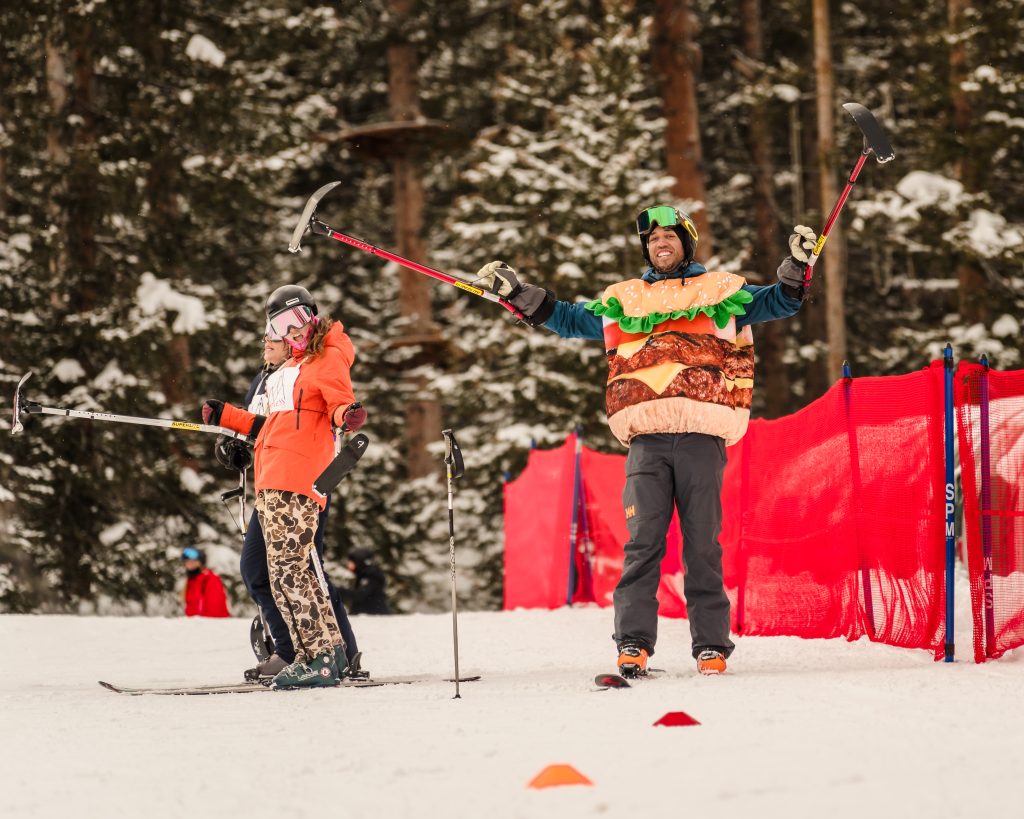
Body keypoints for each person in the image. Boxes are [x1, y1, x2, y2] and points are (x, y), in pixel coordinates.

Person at [474, 205, 817, 677]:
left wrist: (798, 269)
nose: (660, 243)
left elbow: (780, 300)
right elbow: (571, 319)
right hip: (646, 441)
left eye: (669, 236)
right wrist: (520, 295)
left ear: (686, 243)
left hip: (701, 437)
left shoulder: (720, 290)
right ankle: (633, 644)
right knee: (642, 546)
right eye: (653, 238)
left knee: (702, 547)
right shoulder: (624, 299)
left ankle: (711, 647)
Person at [202, 284, 367, 689]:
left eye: (296, 323)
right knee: (284, 571)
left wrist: (348, 416)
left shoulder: (325, 358)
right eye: (279, 327)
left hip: (296, 477)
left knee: (291, 571)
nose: (290, 333)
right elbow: (272, 425)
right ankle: (329, 652)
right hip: (274, 473)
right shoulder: (294, 368)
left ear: (312, 316)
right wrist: (228, 417)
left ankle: (321, 657)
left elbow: (338, 402)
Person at [181, 547, 230, 618]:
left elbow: (215, 608)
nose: (190, 564)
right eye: (187, 561)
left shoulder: (210, 579)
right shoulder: (191, 581)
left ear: (201, 563)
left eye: (194, 561)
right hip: (193, 624)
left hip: (210, 624)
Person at [342, 547, 391, 615]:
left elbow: (361, 594)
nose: (349, 565)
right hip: (366, 615)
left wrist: (339, 591)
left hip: (373, 616)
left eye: (351, 562)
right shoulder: (362, 575)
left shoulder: (371, 575)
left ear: (359, 561)